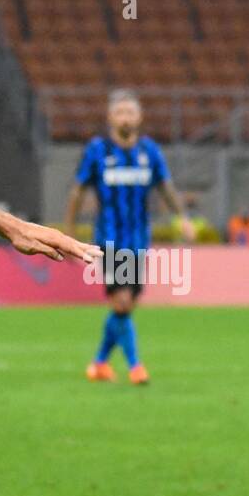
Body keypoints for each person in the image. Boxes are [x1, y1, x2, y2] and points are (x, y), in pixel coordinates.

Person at [65, 89, 196, 385]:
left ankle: (99, 363)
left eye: (130, 112)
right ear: (110, 117)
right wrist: (70, 232)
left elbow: (166, 187)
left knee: (125, 307)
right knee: (122, 303)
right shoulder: (97, 150)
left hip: (138, 241)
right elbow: (77, 191)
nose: (125, 117)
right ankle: (136, 367)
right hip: (109, 240)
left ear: (139, 117)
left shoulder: (149, 151)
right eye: (120, 112)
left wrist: (182, 218)